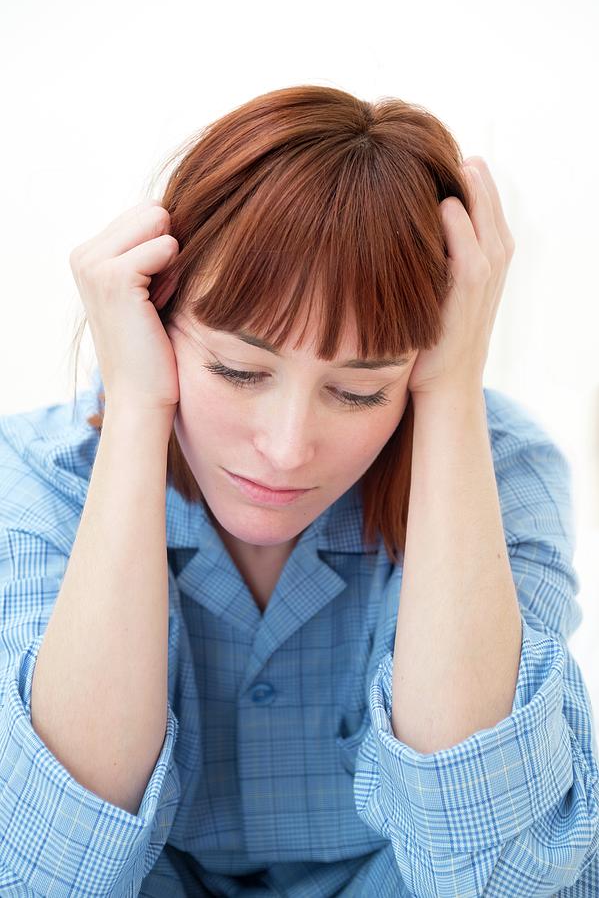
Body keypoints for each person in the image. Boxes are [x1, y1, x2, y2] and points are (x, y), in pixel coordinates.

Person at [0, 85, 597, 897]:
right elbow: (44, 877)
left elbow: (500, 880)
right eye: (238, 371)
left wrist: (452, 390)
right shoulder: (33, 479)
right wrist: (139, 407)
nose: (284, 450)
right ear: (154, 320)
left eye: (357, 391)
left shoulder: (497, 471)